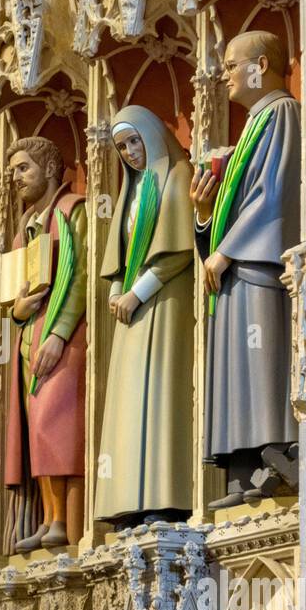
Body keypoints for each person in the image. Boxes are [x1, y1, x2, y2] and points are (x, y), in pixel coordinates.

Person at [190, 30, 300, 508]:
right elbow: (238, 204)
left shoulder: (281, 113)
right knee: (236, 366)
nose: (225, 75)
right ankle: (243, 470)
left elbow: (274, 195)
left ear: (260, 64)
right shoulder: (253, 124)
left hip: (257, 264)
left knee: (259, 361)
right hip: (236, 264)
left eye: (232, 65)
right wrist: (204, 215)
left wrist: (227, 250)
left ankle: (275, 455)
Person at [95, 106, 195, 526]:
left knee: (160, 395)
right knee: (128, 404)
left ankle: (162, 495)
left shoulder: (178, 174)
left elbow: (178, 248)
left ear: (152, 136)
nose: (130, 153)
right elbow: (119, 252)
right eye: (121, 147)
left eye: (134, 141)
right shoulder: (132, 191)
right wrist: (119, 289)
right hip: (131, 310)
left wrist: (137, 292)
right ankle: (125, 502)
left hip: (164, 302)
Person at [5, 136, 87, 550]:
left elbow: (81, 276)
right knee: (36, 426)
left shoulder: (74, 211)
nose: (15, 177)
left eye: (23, 168)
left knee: (59, 422)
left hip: (64, 337)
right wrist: (17, 311)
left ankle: (68, 519)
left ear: (50, 169)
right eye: (13, 171)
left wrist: (58, 333)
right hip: (28, 338)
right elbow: (9, 299)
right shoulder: (25, 230)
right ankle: (48, 514)